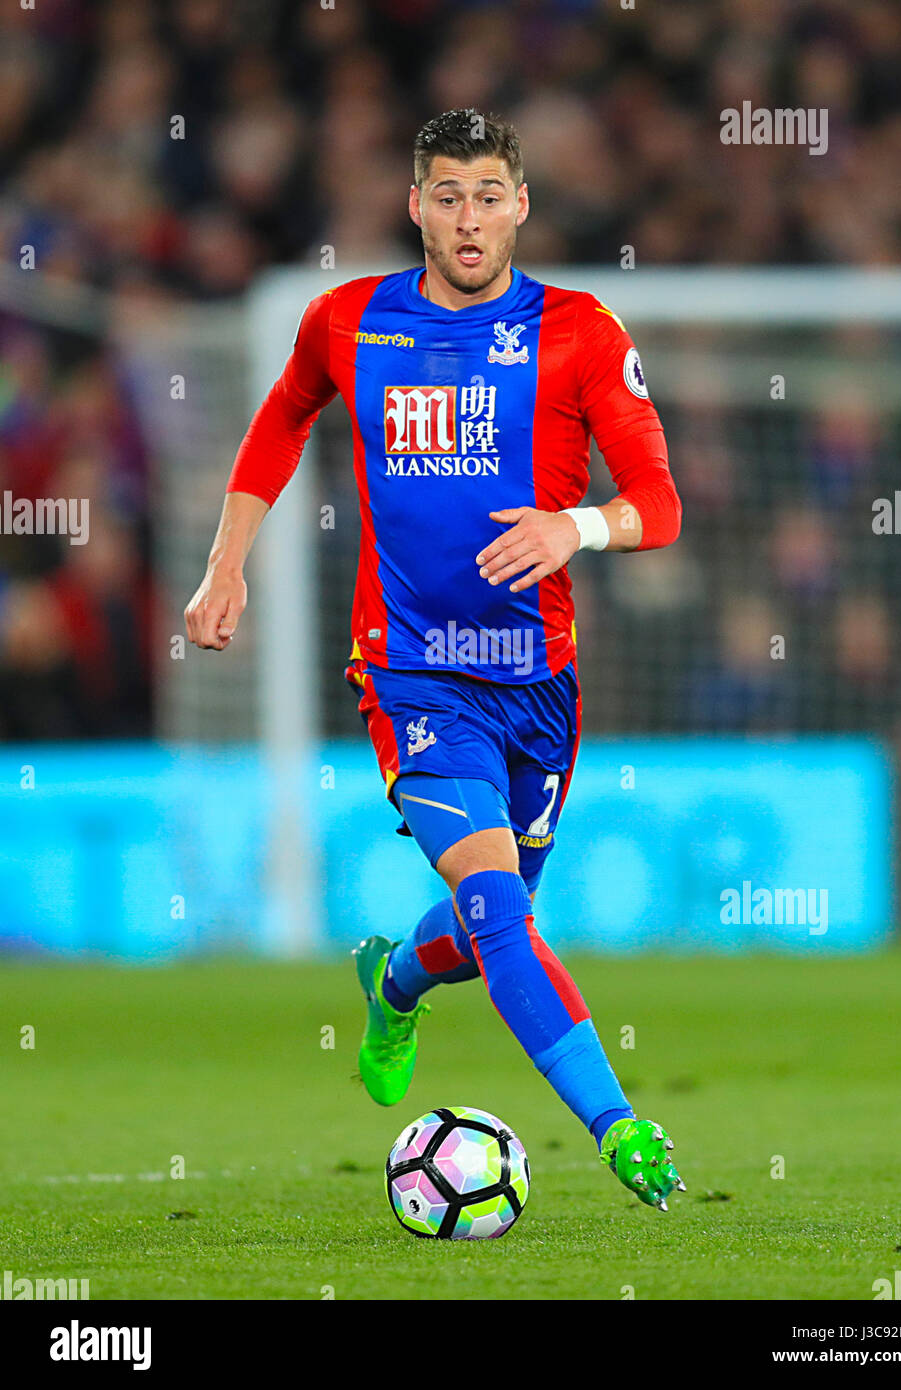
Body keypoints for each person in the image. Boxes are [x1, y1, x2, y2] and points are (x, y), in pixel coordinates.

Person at [185, 108, 684, 1210]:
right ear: (415, 204)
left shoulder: (581, 333)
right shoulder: (347, 321)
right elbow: (280, 421)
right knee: (502, 915)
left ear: (520, 207)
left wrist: (578, 528)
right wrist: (226, 565)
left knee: (487, 929)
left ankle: (394, 976)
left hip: (537, 683)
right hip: (410, 671)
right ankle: (620, 1127)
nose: (468, 219)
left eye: (489, 196)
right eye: (447, 195)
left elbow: (660, 502)